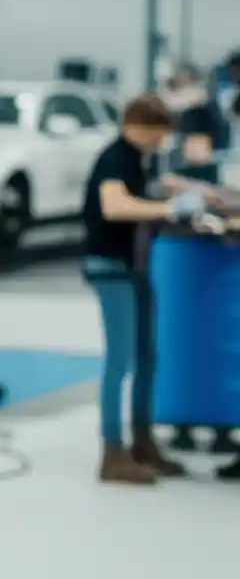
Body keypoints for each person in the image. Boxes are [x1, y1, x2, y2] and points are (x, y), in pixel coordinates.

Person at [80, 93, 204, 484]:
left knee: (147, 357)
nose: (160, 141)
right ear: (138, 126)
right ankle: (112, 451)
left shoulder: (136, 159)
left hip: (134, 267)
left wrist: (200, 193)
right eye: (158, 132)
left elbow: (158, 184)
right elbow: (114, 206)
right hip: (111, 268)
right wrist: (170, 210)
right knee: (120, 362)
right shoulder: (115, 157)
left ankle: (143, 441)